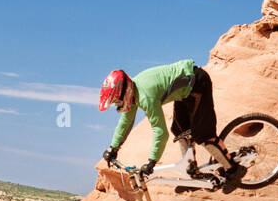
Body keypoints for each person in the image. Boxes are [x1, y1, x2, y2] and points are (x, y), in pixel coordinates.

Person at [98, 60, 232, 177]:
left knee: (203, 135)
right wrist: (113, 148)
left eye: (117, 100)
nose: (117, 104)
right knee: (180, 131)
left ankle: (231, 168)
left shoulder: (145, 97)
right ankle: (191, 169)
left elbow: (160, 132)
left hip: (197, 83)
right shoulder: (133, 90)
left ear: (124, 92)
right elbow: (125, 122)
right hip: (185, 91)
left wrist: (152, 161)